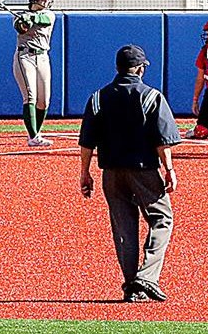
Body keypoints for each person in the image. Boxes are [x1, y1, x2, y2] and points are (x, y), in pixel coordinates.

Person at [76, 43, 181, 303]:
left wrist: (84, 173)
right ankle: (147, 277)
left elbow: (87, 141)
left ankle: (132, 286)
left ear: (118, 68)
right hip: (144, 170)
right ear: (141, 68)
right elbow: (163, 141)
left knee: (124, 228)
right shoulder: (151, 96)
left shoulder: (98, 97)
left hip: (111, 172)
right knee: (162, 219)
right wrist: (169, 169)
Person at [13, 0, 58, 146]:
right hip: (25, 56)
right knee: (30, 96)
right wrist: (24, 20)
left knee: (44, 101)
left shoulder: (49, 14)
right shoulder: (20, 16)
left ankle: (35, 133)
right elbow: (20, 28)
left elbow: (44, 20)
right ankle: (33, 136)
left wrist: (31, 18)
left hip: (43, 57)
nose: (45, 1)